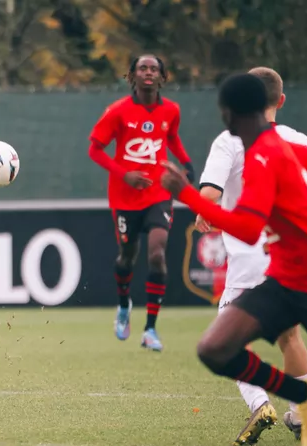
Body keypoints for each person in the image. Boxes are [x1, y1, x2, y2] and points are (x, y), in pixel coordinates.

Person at [161, 72, 307, 446]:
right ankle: (303, 396)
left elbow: (247, 224)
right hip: (284, 274)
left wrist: (187, 194)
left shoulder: (262, 155)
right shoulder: (282, 143)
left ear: (229, 114)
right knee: (215, 348)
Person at [88, 54, 195, 351]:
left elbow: (170, 136)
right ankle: (124, 306)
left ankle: (150, 329)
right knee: (127, 257)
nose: (148, 72)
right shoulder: (118, 111)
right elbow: (95, 150)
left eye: (154, 69)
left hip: (158, 193)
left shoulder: (172, 110)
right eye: (142, 68)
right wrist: (125, 175)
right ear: (131, 76)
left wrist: (186, 162)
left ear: (163, 76)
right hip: (125, 197)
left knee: (157, 253)